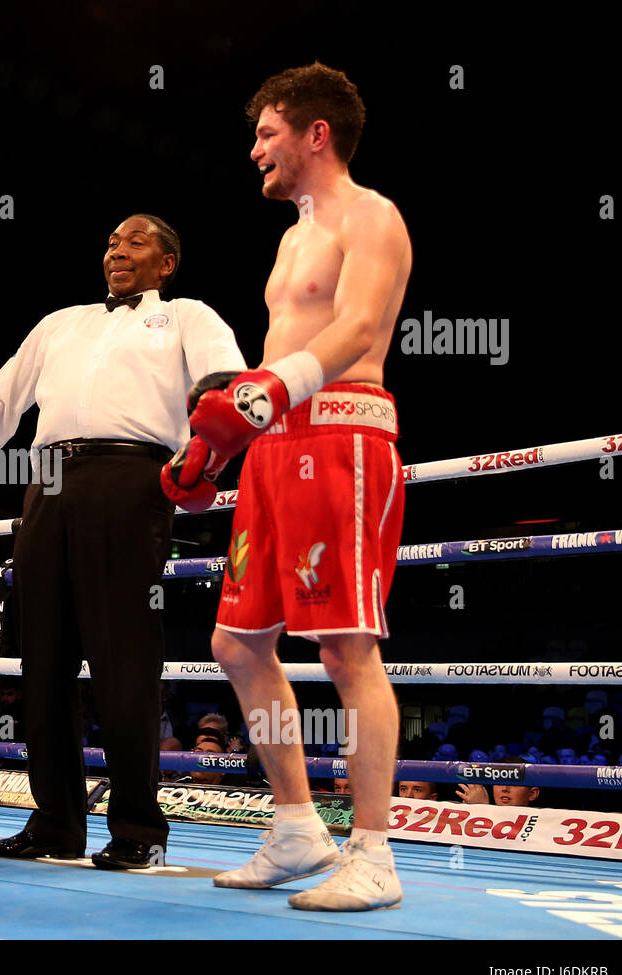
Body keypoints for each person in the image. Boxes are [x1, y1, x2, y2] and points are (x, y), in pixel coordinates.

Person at [0, 213, 244, 869]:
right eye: (109, 240)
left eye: (136, 241)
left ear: (167, 263)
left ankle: (137, 830)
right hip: (45, 482)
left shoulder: (188, 317)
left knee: (123, 660)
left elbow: (226, 389)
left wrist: (201, 458)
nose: (117, 249)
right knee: (41, 662)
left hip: (131, 477)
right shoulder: (58, 324)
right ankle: (54, 825)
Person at [197, 63, 412, 911]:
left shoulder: (373, 216)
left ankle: (375, 852)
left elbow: (358, 324)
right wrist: (216, 440)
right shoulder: (292, 237)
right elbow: (280, 353)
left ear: (315, 134)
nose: (255, 150)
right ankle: (296, 827)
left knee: (345, 648)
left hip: (345, 432)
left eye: (267, 133)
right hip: (275, 442)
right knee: (237, 643)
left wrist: (269, 389)